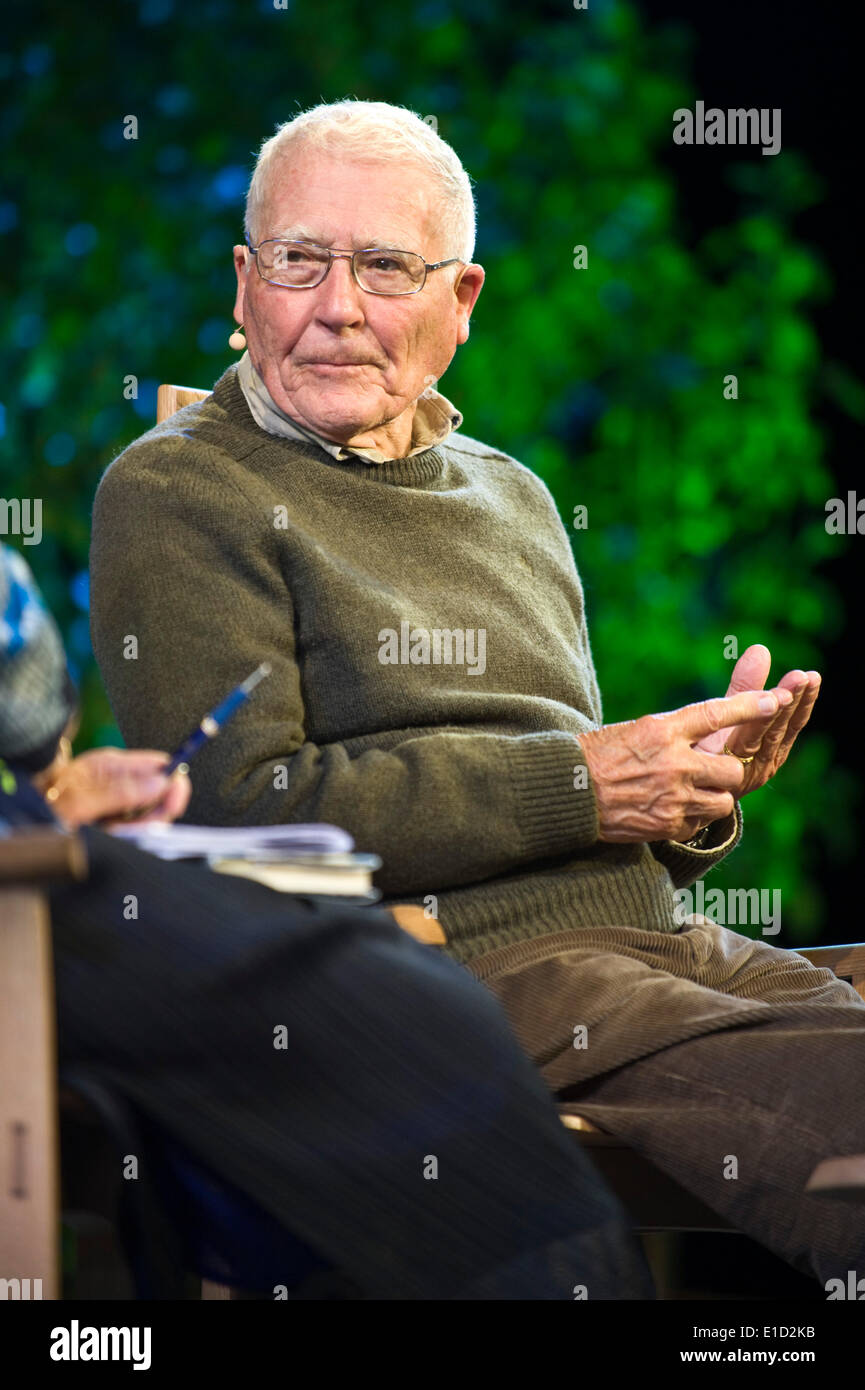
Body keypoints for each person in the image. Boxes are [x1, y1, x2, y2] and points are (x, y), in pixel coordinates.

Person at [89, 99, 865, 1291]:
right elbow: (234, 812)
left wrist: (685, 800)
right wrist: (585, 782)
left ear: (460, 304)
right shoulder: (181, 492)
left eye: (386, 267)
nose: (337, 307)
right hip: (456, 973)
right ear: (245, 283)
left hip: (661, 940)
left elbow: (576, 805)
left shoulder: (513, 494)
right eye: (300, 260)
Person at [0, 542, 653, 1299]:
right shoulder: (183, 486)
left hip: (46, 869)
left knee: (402, 989)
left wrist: (51, 797)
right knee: (388, 1004)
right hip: (35, 897)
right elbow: (26, 693)